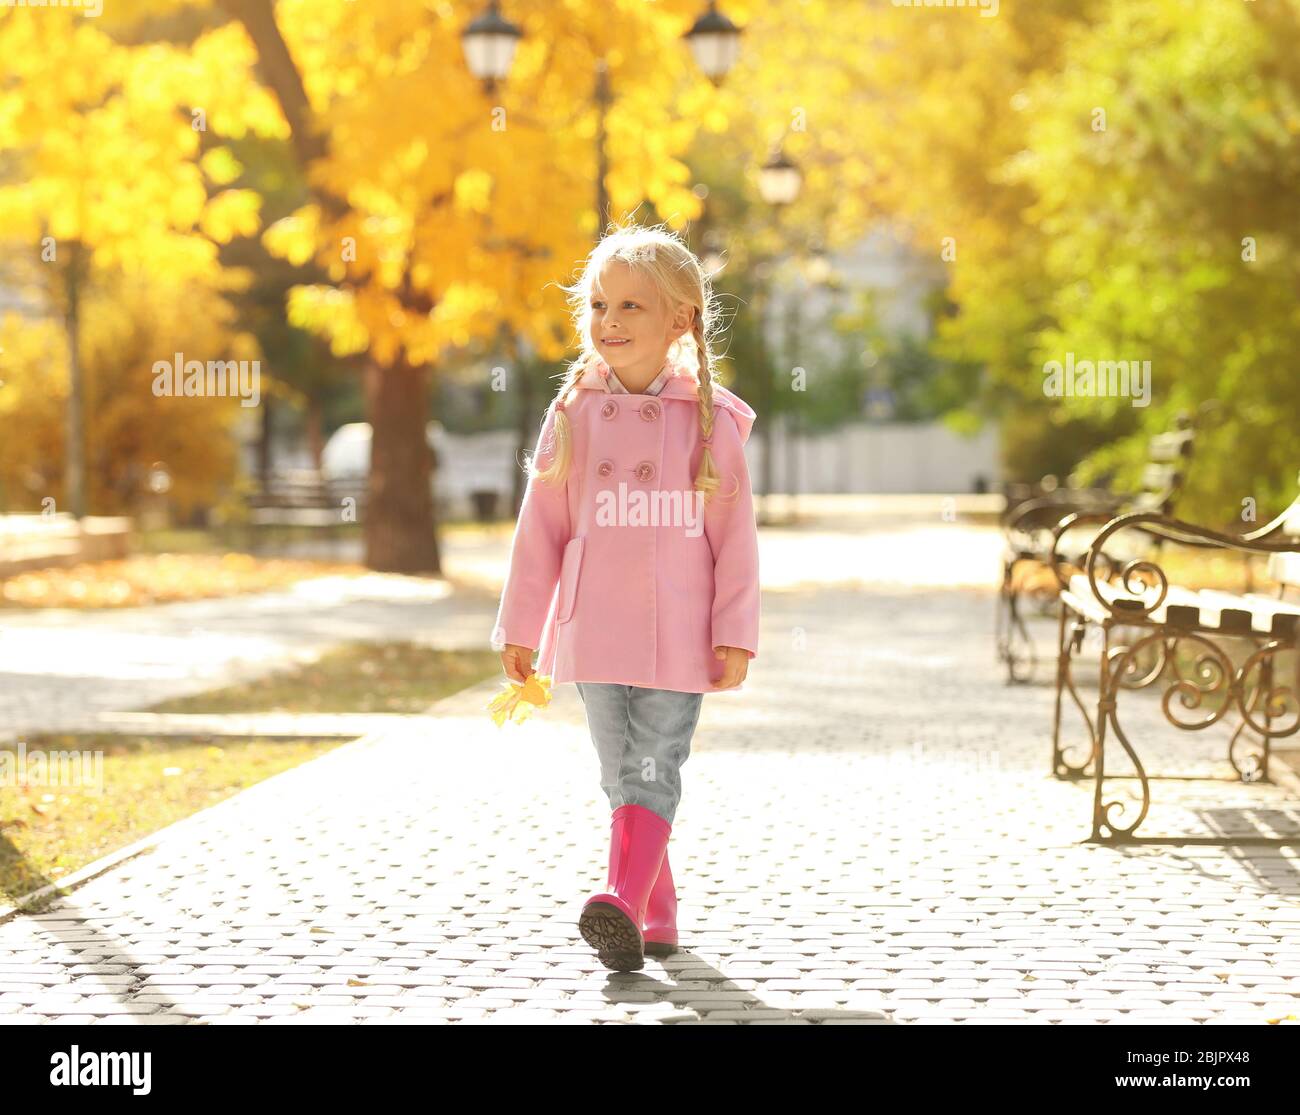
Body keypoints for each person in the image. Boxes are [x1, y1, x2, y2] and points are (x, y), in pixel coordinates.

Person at [491, 222, 760, 971]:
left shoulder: (709, 420)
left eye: (630, 306)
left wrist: (735, 631)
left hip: (681, 626)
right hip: (594, 624)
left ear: (679, 320)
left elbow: (735, 536)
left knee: (653, 766)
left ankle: (618, 896)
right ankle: (655, 912)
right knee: (620, 773)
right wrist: (522, 626)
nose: (609, 321)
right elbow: (541, 528)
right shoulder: (573, 412)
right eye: (599, 305)